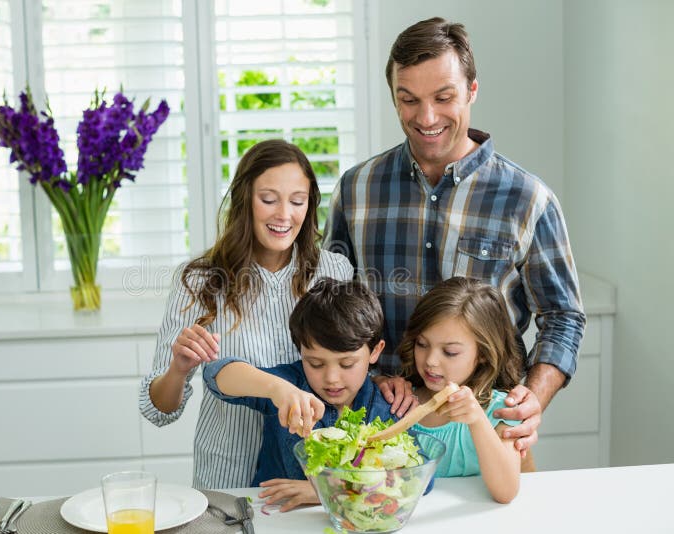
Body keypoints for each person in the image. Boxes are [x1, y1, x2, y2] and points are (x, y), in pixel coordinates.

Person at [323, 17, 586, 454]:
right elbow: (330, 307)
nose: (426, 118)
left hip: (483, 432)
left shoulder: (529, 199)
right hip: (373, 426)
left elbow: (563, 317)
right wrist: (363, 375)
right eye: (408, 100)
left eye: (443, 97)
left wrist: (533, 400)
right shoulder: (356, 189)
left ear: (471, 91)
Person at [138, 139, 354, 489]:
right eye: (268, 199)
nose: (284, 214)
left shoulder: (335, 272)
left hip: (312, 476)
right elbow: (159, 410)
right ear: (244, 201)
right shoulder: (198, 281)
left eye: (297, 201)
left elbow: (351, 372)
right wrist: (178, 369)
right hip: (228, 474)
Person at [202, 277, 394, 511]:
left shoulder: (386, 405)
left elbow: (419, 479)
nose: (331, 378)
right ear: (300, 350)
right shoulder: (290, 383)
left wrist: (327, 490)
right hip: (275, 518)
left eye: (346, 364)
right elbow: (215, 375)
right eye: (315, 363)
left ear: (375, 351)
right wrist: (277, 389)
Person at [399, 277, 524, 503]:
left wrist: (477, 421)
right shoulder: (400, 402)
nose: (431, 361)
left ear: (484, 353)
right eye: (422, 344)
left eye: (450, 352)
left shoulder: (499, 411)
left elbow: (506, 492)